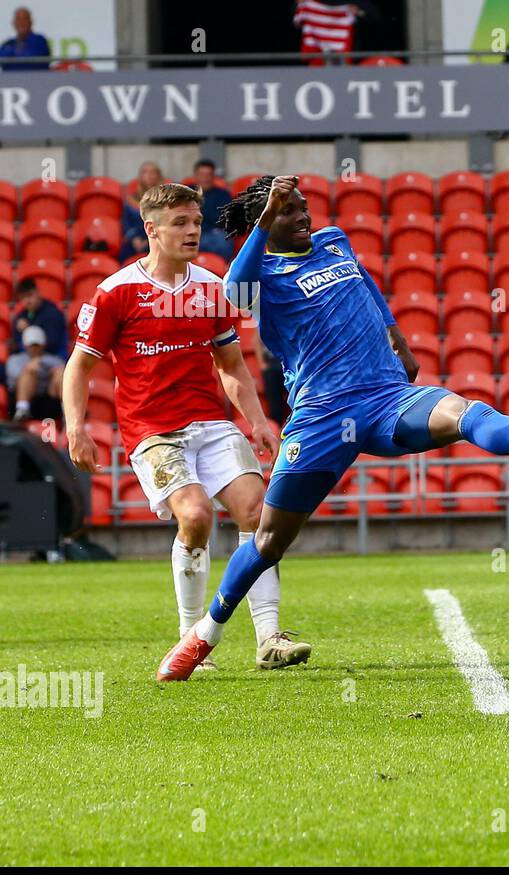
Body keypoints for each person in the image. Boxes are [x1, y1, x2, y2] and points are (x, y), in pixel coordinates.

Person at [153, 175, 509, 682]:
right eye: (287, 212)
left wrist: (397, 337)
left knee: (461, 412)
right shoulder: (262, 274)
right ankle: (203, 636)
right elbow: (235, 293)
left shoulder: (333, 241)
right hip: (322, 415)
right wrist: (264, 217)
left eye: (303, 207)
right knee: (269, 540)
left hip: (386, 396)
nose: (303, 217)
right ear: (264, 224)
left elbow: (366, 285)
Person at [64, 182, 306, 675]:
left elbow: (233, 365)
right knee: (195, 517)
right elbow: (79, 366)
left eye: (196, 222)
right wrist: (76, 429)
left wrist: (257, 421)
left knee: (259, 514)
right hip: (152, 431)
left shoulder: (210, 287)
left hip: (211, 425)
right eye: (180, 223)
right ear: (151, 230)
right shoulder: (115, 292)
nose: (192, 230)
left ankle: (269, 637)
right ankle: (192, 638)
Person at [7, 325, 63, 422]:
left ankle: (67, 411)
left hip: (48, 401)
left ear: (43, 344)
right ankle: (22, 411)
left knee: (61, 373)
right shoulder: (15, 359)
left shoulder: (54, 360)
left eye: (37, 345)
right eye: (32, 345)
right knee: (28, 374)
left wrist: (40, 365)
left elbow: (64, 374)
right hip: (22, 399)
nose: (34, 348)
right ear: (25, 345)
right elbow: (16, 376)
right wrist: (40, 370)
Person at [8, 277, 68, 359]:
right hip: (28, 357)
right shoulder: (21, 316)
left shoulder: (52, 313)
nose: (27, 301)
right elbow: (17, 344)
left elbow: (52, 344)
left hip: (53, 357)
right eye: (23, 298)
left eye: (29, 295)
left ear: (38, 292)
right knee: (13, 361)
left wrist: (28, 330)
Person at [121, 161, 164, 263]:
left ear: (159, 175)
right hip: (135, 240)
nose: (149, 175)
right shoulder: (132, 200)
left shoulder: (166, 199)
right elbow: (127, 223)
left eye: (153, 172)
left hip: (158, 238)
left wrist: (149, 241)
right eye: (145, 172)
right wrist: (134, 239)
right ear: (140, 176)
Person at [191, 159, 234, 260]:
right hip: (189, 231)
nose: (205, 178)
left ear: (213, 176)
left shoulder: (223, 194)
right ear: (195, 175)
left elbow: (223, 220)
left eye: (208, 174)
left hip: (213, 234)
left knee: (223, 240)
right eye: (202, 174)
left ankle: (221, 269)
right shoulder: (185, 192)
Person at [0, 7, 49, 71]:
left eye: (25, 19)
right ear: (13, 23)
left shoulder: (39, 40)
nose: (21, 22)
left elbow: (33, 61)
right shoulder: (8, 44)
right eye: (18, 19)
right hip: (11, 80)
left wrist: (13, 55)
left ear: (31, 22)